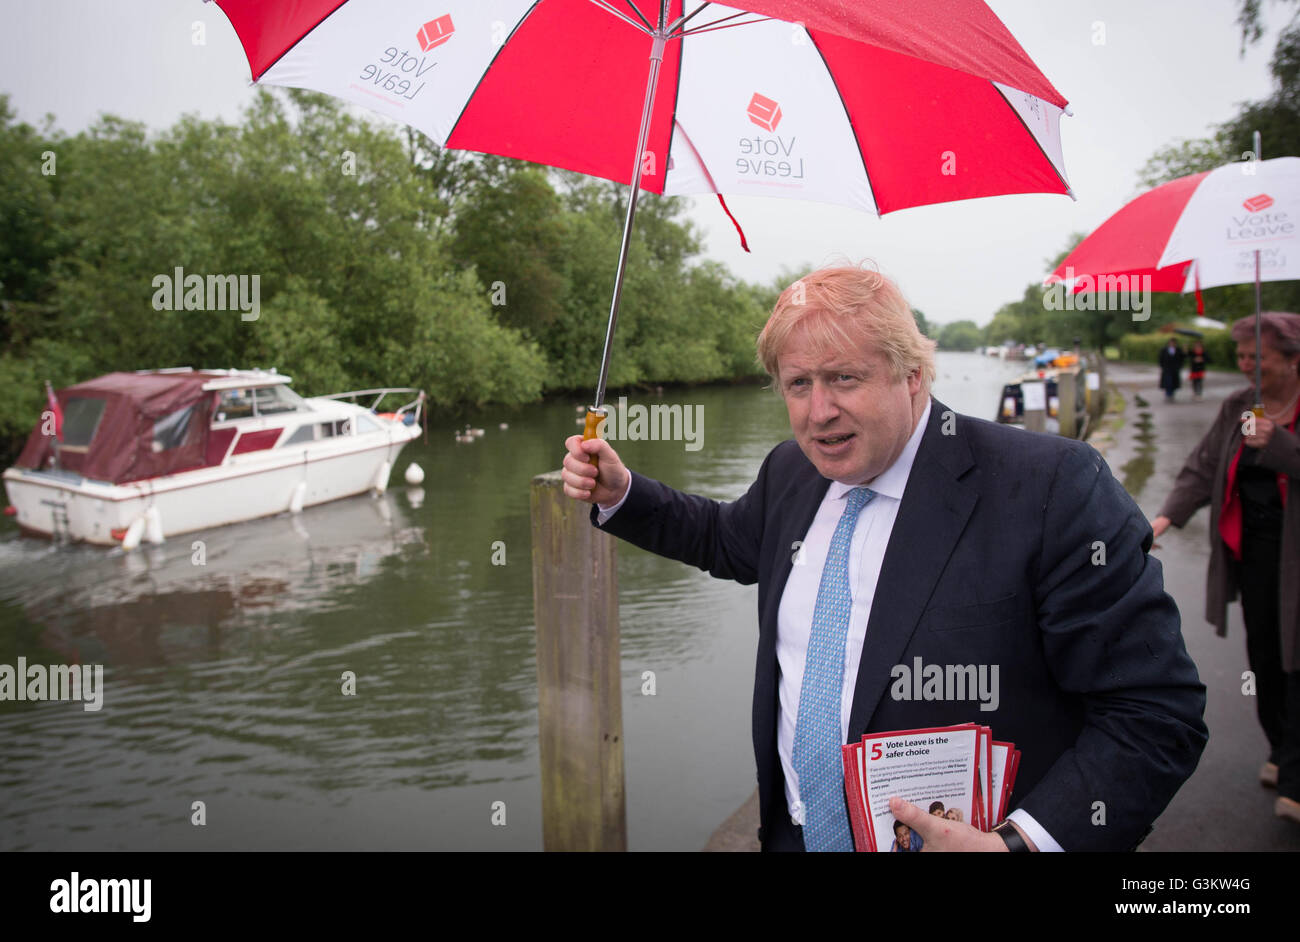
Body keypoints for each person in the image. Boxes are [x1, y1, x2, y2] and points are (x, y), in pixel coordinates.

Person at [562, 265, 1207, 852]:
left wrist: (1023, 845)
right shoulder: (792, 471)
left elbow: (1153, 714)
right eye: (799, 384)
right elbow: (725, 539)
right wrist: (624, 494)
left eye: (844, 377)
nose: (819, 412)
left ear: (914, 374)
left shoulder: (1050, 487)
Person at [1151, 312, 1300, 825]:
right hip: (1258, 555)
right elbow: (1205, 464)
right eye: (1240, 356)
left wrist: (1279, 444)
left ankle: (1295, 772)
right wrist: (1164, 519)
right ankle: (1282, 747)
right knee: (1264, 653)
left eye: (1257, 357)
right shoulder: (1241, 406)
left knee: (1297, 657)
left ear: (1292, 357)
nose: (1245, 365)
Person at [1159, 337, 1186, 402]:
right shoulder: (1164, 349)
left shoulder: (1178, 350)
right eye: (1171, 342)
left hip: (1175, 369)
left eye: (1173, 343)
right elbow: (1161, 358)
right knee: (1168, 382)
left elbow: (1183, 357)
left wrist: (1185, 349)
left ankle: (1172, 395)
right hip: (1167, 368)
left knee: (1174, 382)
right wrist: (1162, 366)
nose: (1172, 344)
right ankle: (1168, 395)